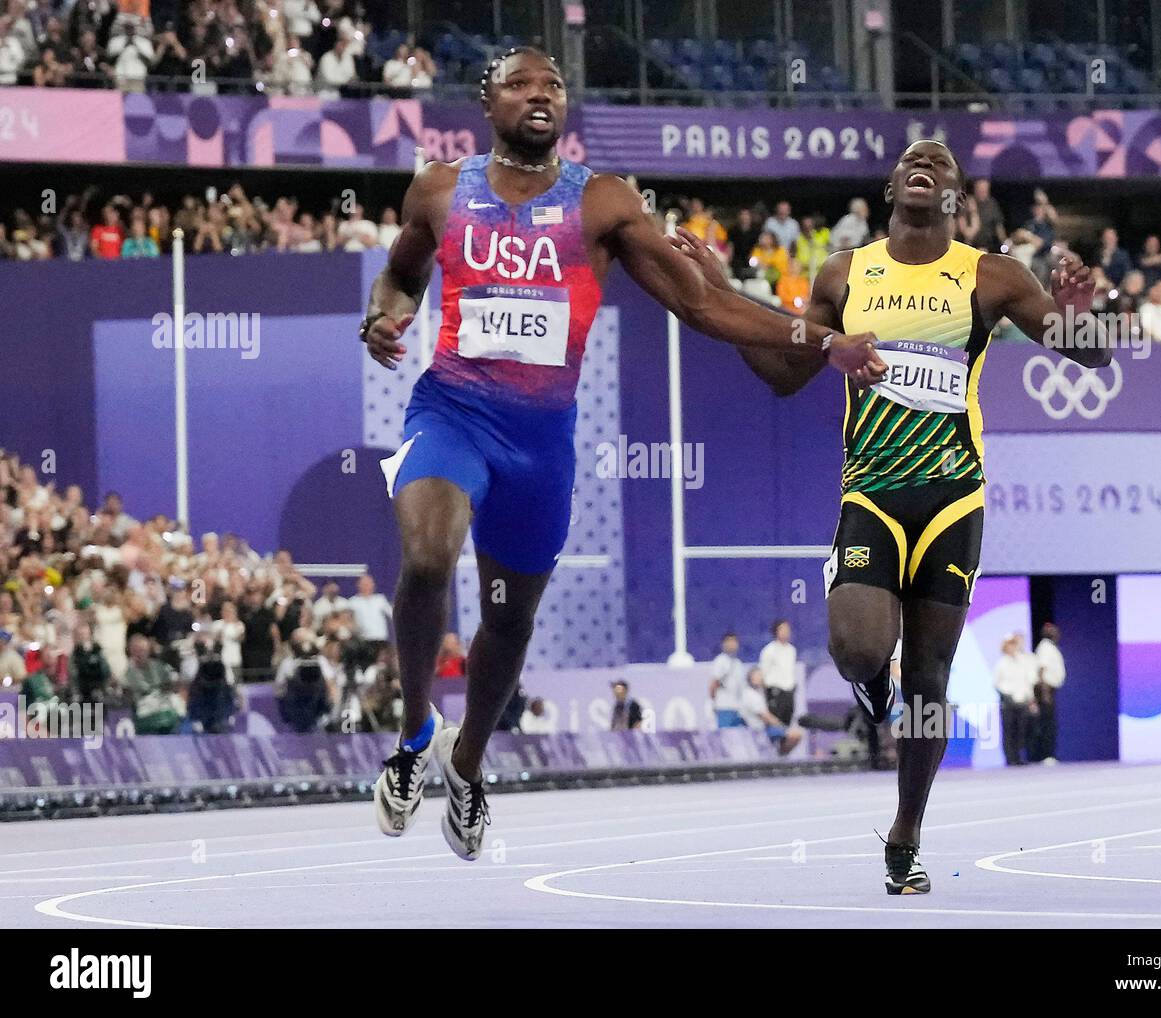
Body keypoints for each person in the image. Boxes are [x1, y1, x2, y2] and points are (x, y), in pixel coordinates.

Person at [361, 46, 882, 859]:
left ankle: (466, 765)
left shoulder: (603, 203)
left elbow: (700, 303)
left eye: (555, 85)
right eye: (522, 84)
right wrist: (383, 316)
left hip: (541, 443)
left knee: (509, 620)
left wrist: (820, 338)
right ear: (488, 103)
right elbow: (399, 277)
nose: (542, 95)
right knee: (427, 557)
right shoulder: (438, 189)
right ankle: (414, 731)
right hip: (452, 410)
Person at [673, 138, 1108, 895]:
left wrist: (1082, 321)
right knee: (856, 648)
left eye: (941, 163)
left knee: (931, 679)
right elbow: (784, 371)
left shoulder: (992, 276)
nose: (925, 164)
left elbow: (1094, 357)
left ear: (956, 197)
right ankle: (873, 684)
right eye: (913, 157)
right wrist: (723, 307)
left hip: (952, 496)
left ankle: (907, 831)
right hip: (871, 488)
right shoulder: (845, 273)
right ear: (887, 185)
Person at [123, 633, 184, 735]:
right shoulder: (127, 673)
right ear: (131, 651)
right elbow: (130, 693)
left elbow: (173, 682)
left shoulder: (159, 666)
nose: (141, 654)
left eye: (144, 650)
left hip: (164, 706)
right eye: (137, 650)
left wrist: (170, 685)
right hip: (144, 711)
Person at [994, 633, 1038, 766]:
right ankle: (1010, 758)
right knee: (1008, 730)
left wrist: (1030, 699)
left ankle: (1018, 756)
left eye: (1014, 644)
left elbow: (1028, 681)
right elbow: (996, 683)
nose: (1012, 647)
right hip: (1008, 701)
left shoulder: (1022, 661)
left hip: (1022, 700)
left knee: (1021, 730)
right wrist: (1007, 695)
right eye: (1009, 645)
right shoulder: (1002, 663)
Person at [740, 666, 803, 755]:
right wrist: (783, 727)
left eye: (760, 675)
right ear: (750, 678)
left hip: (765, 729)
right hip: (758, 731)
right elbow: (765, 717)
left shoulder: (762, 693)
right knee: (794, 735)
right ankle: (780, 758)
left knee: (796, 734)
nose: (760, 678)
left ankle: (780, 758)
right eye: (756, 676)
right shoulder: (750, 694)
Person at [1032, 622, 1065, 763]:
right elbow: (1042, 670)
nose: (1058, 634)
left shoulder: (1050, 647)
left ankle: (1048, 755)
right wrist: (1045, 693)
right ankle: (1046, 755)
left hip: (1050, 690)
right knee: (1047, 724)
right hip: (1046, 690)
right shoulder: (1045, 647)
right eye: (1054, 631)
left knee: (1049, 723)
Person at [758, 619, 798, 725]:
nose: (785, 632)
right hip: (775, 692)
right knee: (776, 725)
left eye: (787, 629)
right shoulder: (769, 650)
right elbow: (763, 674)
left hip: (788, 693)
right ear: (776, 631)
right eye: (782, 629)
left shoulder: (791, 650)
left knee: (787, 724)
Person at [709, 632, 747, 728]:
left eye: (734, 642)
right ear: (723, 644)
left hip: (736, 707)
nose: (732, 644)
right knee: (725, 735)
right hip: (724, 706)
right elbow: (714, 683)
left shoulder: (738, 663)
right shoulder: (720, 661)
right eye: (729, 642)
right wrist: (714, 702)